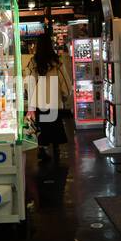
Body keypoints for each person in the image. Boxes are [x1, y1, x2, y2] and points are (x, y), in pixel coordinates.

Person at [25, 31, 72, 163]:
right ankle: (56, 149)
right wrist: (66, 95)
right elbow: (65, 83)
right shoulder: (56, 62)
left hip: (40, 102)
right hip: (54, 101)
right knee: (55, 126)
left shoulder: (33, 62)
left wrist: (31, 102)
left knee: (42, 127)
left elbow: (29, 83)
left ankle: (43, 149)